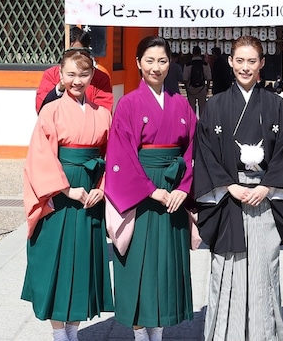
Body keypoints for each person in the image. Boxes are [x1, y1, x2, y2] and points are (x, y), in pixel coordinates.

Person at [192, 35, 283, 341]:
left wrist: (267, 187)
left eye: (251, 61)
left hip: (265, 197)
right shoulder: (215, 106)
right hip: (229, 198)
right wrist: (229, 185)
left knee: (264, 268)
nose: (245, 67)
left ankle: (265, 334)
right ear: (229, 62)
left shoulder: (276, 105)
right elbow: (204, 152)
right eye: (239, 60)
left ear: (262, 64)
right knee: (227, 269)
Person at [104, 36, 197, 341]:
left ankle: (158, 333)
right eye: (150, 60)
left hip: (174, 191)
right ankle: (140, 334)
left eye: (162, 61)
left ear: (170, 64)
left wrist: (183, 188)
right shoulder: (128, 104)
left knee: (166, 267)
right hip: (143, 194)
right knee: (138, 263)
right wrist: (150, 190)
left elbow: (192, 150)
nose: (156, 67)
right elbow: (121, 157)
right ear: (138, 63)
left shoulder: (182, 104)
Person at [21, 48, 113, 341]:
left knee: (82, 261)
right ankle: (60, 333)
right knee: (56, 262)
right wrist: (68, 189)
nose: (77, 80)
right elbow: (40, 157)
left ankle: (74, 329)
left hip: (91, 193)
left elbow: (113, 156)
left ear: (92, 76)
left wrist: (102, 187)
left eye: (84, 74)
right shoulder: (51, 110)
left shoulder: (103, 114)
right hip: (60, 195)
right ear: (60, 75)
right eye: (71, 74)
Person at [37, 26, 114, 113]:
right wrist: (59, 88)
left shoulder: (101, 78)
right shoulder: (51, 74)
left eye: (80, 53)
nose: (76, 56)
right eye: (72, 52)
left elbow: (104, 113)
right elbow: (42, 109)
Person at [185, 46, 212, 115]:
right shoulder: (205, 64)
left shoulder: (188, 64)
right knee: (202, 108)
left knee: (191, 109)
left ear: (192, 53)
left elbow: (185, 78)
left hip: (191, 89)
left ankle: (192, 124)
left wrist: (187, 88)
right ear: (200, 53)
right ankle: (202, 124)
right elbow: (209, 78)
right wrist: (207, 88)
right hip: (202, 88)